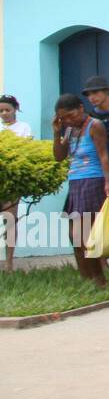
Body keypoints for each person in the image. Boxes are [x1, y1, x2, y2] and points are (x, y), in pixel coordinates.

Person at [50, 94, 109, 287]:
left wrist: (108, 182)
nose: (68, 120)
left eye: (71, 115)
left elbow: (103, 155)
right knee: (74, 236)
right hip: (75, 183)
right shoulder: (69, 130)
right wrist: (57, 133)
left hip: (93, 181)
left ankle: (100, 279)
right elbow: (59, 156)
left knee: (86, 235)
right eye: (63, 118)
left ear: (81, 108)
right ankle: (87, 279)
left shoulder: (95, 125)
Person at [0, 94, 33, 271]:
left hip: (12, 181)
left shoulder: (24, 127)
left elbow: (27, 149)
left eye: (7, 110)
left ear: (15, 110)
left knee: (10, 219)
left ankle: (9, 261)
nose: (4, 113)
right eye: (1, 111)